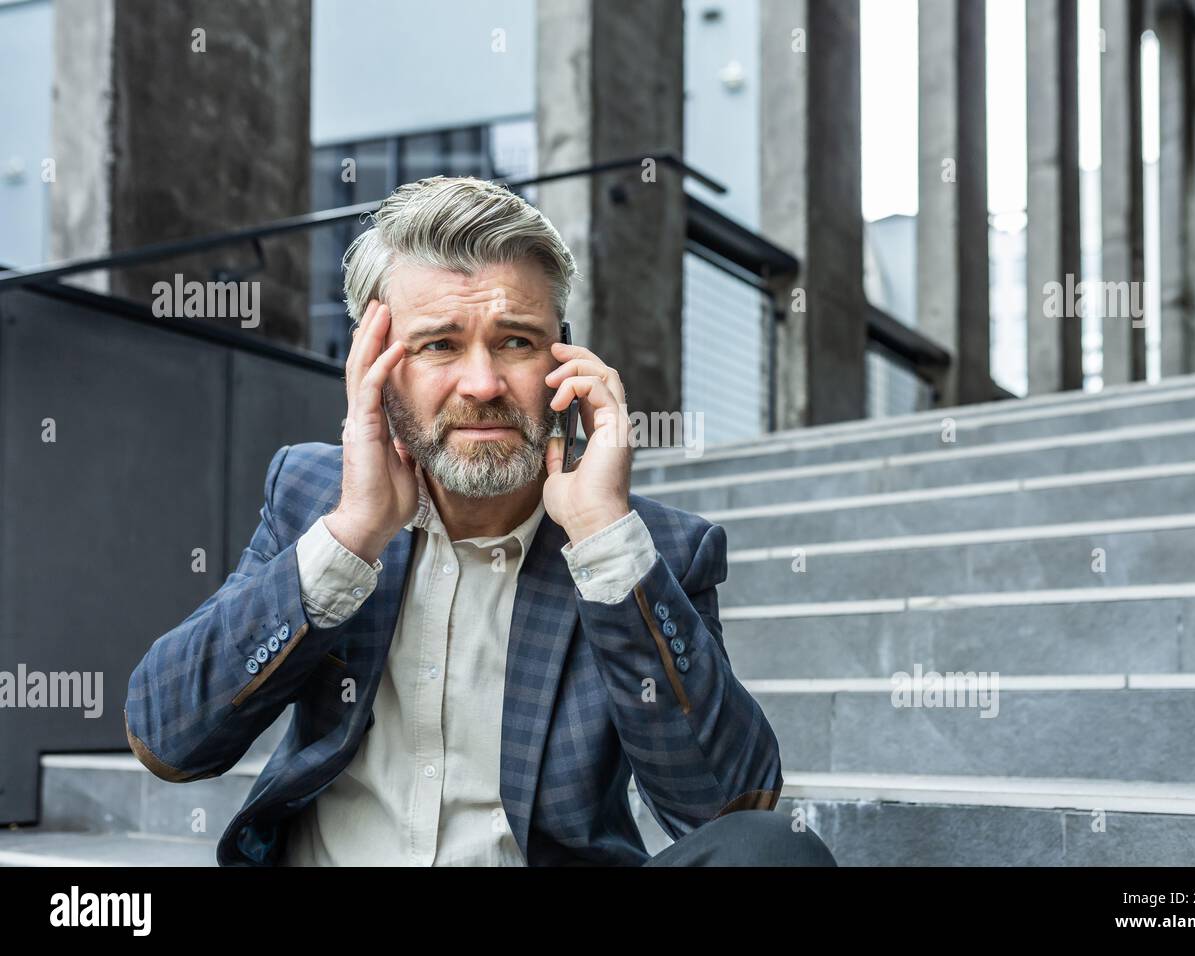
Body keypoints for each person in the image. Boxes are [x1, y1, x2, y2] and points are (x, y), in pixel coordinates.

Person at [124, 175, 836, 867]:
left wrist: (605, 543)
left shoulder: (654, 549)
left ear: (565, 357)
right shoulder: (313, 496)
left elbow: (725, 808)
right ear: (375, 365)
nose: (484, 384)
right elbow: (171, 740)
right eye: (438, 344)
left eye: (517, 341)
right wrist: (351, 537)